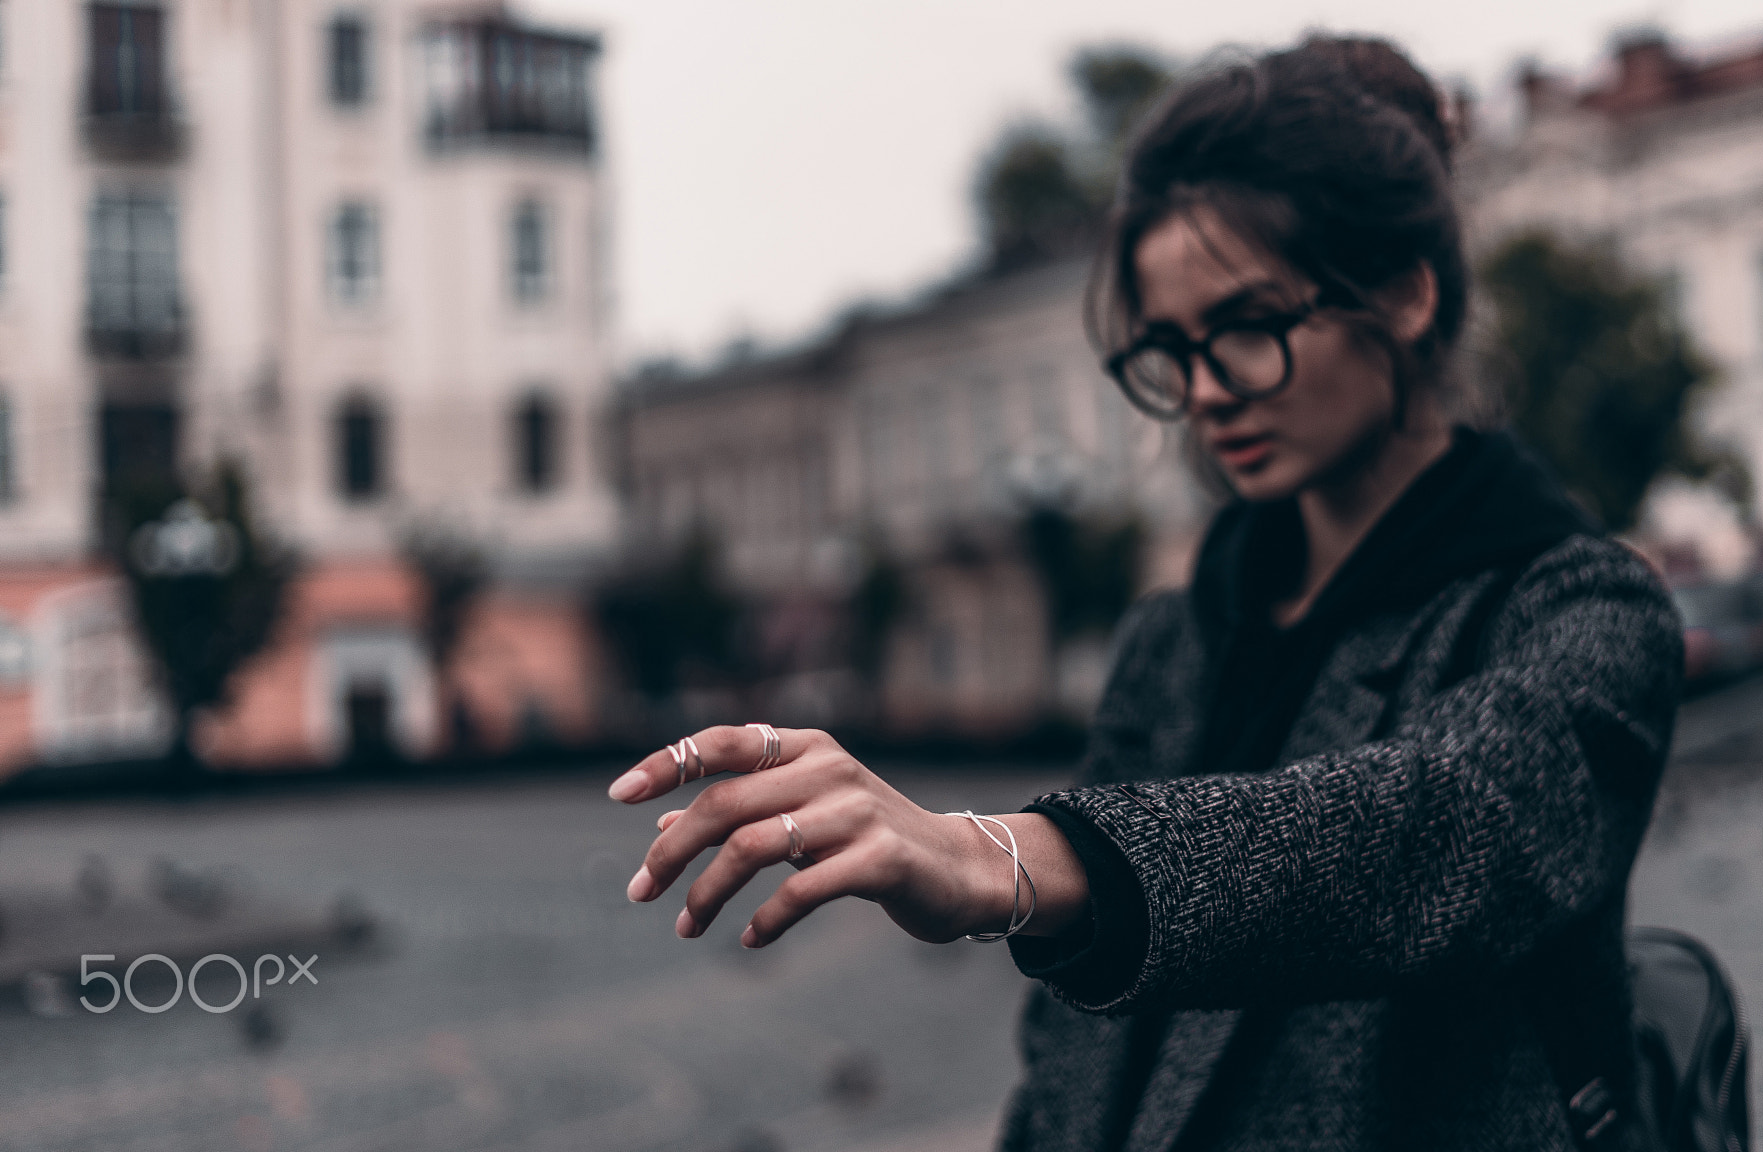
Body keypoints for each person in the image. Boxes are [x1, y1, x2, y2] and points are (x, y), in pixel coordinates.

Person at [606, 35, 1682, 1152]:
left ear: (1404, 294)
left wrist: (1011, 856)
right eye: (1170, 349)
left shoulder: (1580, 614)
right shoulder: (1176, 640)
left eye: (1249, 327)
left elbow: (1432, 835)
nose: (1208, 390)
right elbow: (1075, 1056)